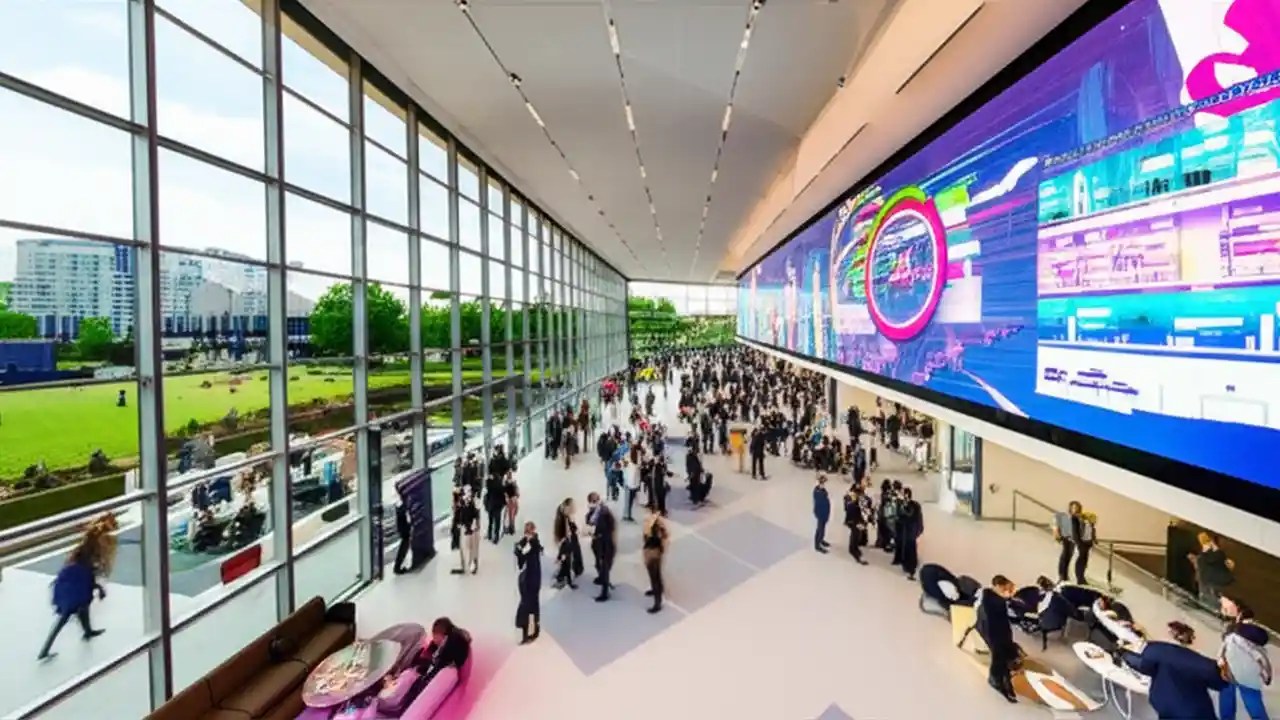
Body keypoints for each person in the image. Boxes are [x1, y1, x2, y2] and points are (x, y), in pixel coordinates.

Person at [37, 514, 116, 660]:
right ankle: (44, 650)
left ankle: (87, 631)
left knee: (81, 609)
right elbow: (89, 570)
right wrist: (98, 587)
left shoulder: (88, 547)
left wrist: (96, 586)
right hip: (76, 581)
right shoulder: (92, 550)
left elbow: (88, 569)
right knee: (68, 614)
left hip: (74, 579)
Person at [1120, 622, 1225, 720]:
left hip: (1165, 706)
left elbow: (1143, 665)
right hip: (1194, 712)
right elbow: (1219, 681)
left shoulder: (1155, 649)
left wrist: (1123, 654)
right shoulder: (1196, 659)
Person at [1218, 596, 1272, 720]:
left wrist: (1220, 659)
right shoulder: (1243, 629)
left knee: (1230, 697)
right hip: (1246, 672)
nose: (1222, 608)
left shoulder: (1237, 633)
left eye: (1225, 607)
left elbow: (1258, 655)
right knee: (1250, 698)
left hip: (1234, 670)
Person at [977, 575, 1020, 703]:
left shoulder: (990, 597)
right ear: (998, 587)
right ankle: (995, 679)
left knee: (1006, 652)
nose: (1008, 592)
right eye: (1006, 589)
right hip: (993, 633)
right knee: (999, 656)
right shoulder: (995, 602)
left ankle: (1005, 677)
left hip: (998, 631)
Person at [409, 617, 471, 694]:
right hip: (432, 670)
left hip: (436, 675)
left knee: (417, 687)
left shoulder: (450, 644)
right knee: (416, 684)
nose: (433, 639)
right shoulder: (438, 645)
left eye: (434, 635)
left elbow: (439, 664)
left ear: (440, 634)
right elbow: (427, 658)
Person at [1052, 501, 1094, 585]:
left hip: (1075, 539)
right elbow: (1056, 525)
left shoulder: (1079, 518)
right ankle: (1062, 576)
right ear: (1070, 508)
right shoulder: (1063, 516)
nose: (1075, 509)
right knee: (1065, 556)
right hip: (1066, 537)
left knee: (1071, 556)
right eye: (1073, 507)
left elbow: (1083, 529)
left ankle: (1069, 576)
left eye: (1076, 508)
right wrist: (1057, 534)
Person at [514, 522, 543, 644]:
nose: (527, 534)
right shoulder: (527, 541)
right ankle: (528, 632)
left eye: (529, 531)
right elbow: (519, 549)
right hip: (527, 578)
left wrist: (518, 551)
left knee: (530, 605)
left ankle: (531, 631)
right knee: (528, 605)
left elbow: (522, 554)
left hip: (532, 579)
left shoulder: (534, 543)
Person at [1189, 532, 1235, 605]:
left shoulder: (1203, 558)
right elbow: (1219, 557)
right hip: (1212, 585)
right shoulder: (1209, 557)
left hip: (1209, 585)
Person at [587, 492, 616, 602]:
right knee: (598, 563)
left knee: (604, 566)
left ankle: (605, 591)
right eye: (592, 501)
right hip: (597, 542)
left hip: (605, 542)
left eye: (595, 500)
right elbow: (588, 521)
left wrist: (599, 531)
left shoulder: (604, 512)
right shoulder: (593, 512)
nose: (594, 503)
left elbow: (610, 526)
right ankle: (601, 578)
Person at [641, 506, 669, 614]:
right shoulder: (650, 524)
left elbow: (663, 536)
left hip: (654, 553)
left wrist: (659, 548)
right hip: (650, 551)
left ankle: (657, 601)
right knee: (653, 575)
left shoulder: (656, 525)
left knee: (655, 576)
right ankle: (656, 590)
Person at [552, 498, 583, 589]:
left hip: (566, 544)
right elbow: (564, 533)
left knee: (566, 562)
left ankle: (564, 579)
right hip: (565, 544)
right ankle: (565, 580)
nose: (573, 509)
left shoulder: (565, 516)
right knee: (566, 562)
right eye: (572, 507)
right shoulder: (563, 518)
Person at [895, 487, 924, 580]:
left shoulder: (912, 506)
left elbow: (909, 516)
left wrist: (902, 506)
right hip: (908, 531)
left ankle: (910, 568)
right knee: (908, 547)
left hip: (910, 531)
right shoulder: (910, 504)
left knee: (910, 549)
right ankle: (908, 566)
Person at [453, 487, 480, 575]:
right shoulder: (460, 504)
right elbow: (457, 516)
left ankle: (473, 563)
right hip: (464, 528)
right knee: (465, 547)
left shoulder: (472, 503)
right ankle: (466, 565)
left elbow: (475, 514)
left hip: (471, 528)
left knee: (472, 547)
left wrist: (475, 524)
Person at [843, 484, 869, 565]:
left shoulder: (855, 498)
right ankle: (855, 550)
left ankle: (854, 548)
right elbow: (849, 508)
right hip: (856, 520)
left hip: (857, 520)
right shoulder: (852, 499)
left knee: (856, 535)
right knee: (856, 535)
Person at [484, 472, 505, 544]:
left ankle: (489, 534)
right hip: (498, 507)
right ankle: (496, 537)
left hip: (491, 506)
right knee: (497, 523)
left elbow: (487, 488)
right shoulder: (500, 486)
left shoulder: (490, 486)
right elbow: (503, 498)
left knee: (490, 521)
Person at [812, 475, 831, 554]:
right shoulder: (818, 492)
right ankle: (817, 545)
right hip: (821, 514)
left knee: (822, 528)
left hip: (824, 513)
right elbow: (819, 503)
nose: (824, 484)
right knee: (820, 529)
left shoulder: (822, 490)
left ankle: (821, 540)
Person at [393, 502, 413, 574]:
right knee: (405, 542)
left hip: (402, 522)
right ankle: (397, 567)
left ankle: (398, 566)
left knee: (405, 542)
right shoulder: (402, 502)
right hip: (403, 523)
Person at [503, 471, 520, 536]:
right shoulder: (513, 482)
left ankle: (511, 528)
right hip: (512, 500)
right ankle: (511, 528)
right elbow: (517, 492)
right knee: (512, 515)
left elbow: (504, 491)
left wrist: (506, 497)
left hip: (510, 500)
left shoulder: (506, 483)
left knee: (510, 515)